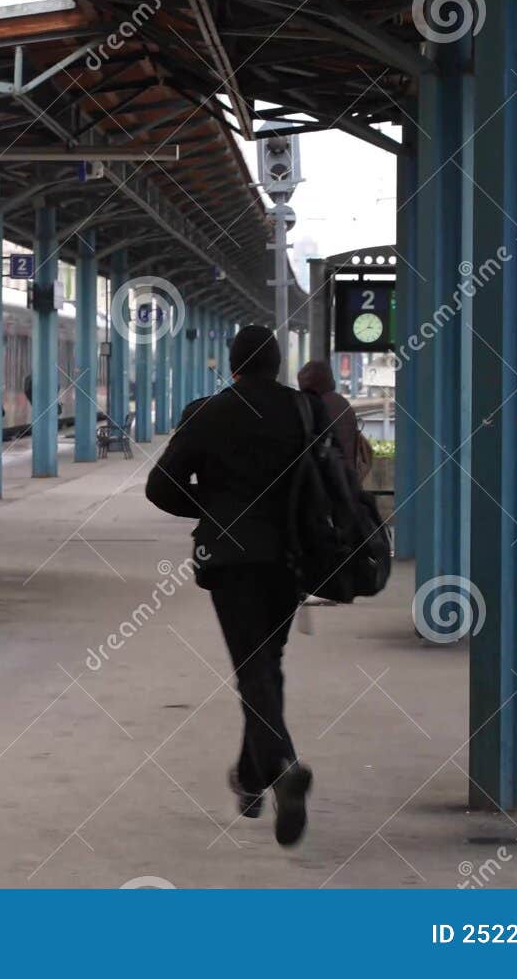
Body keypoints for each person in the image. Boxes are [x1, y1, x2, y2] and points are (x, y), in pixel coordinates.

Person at [144, 324, 315, 846]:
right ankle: (251, 778)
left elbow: (159, 486)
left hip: (233, 560)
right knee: (266, 664)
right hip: (289, 558)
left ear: (234, 363)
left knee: (253, 668)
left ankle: (282, 767)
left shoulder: (211, 412)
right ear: (278, 364)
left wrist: (212, 509)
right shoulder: (302, 410)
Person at [297, 359, 367, 488]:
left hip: (328, 482)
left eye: (303, 385)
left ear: (315, 383)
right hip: (346, 478)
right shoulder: (341, 403)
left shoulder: (318, 405)